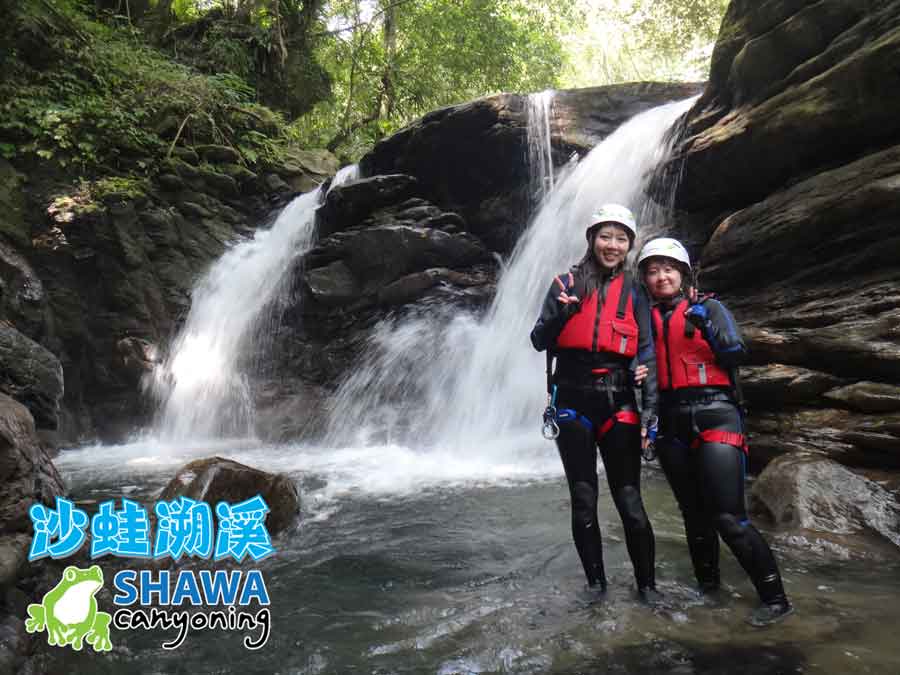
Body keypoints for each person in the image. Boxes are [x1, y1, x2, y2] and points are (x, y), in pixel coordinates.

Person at [636, 237, 793, 626]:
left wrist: (705, 324)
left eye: (668, 269)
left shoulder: (710, 308)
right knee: (694, 515)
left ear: (683, 274)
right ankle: (709, 589)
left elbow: (736, 352)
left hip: (715, 414)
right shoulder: (645, 321)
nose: (661, 277)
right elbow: (643, 371)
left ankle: (775, 599)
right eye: (653, 271)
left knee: (728, 516)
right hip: (670, 421)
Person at [530, 203, 660, 602]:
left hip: (619, 401)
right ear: (592, 239)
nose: (613, 245)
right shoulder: (564, 283)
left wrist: (650, 414)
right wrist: (562, 315)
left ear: (629, 245)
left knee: (629, 500)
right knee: (584, 500)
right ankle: (596, 587)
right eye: (606, 236)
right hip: (572, 401)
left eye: (621, 239)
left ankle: (647, 589)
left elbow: (647, 351)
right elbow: (538, 340)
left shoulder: (636, 292)